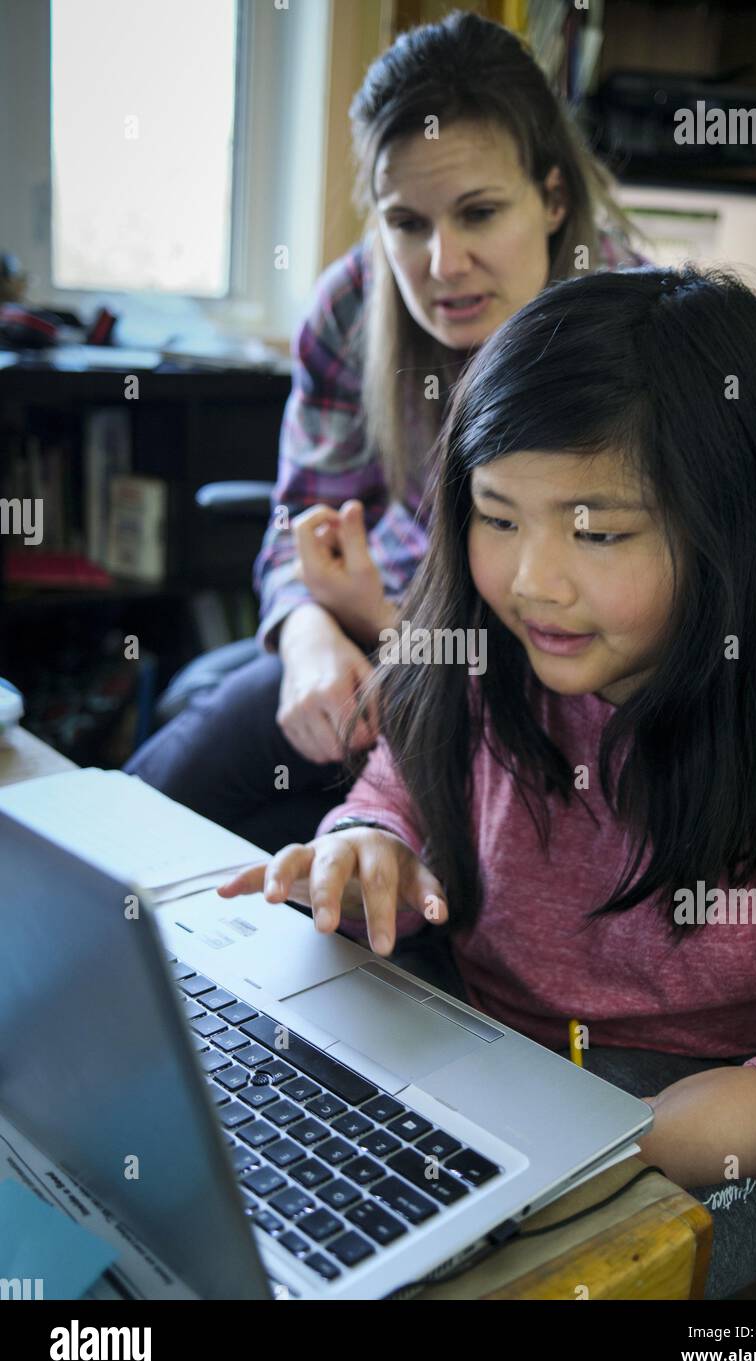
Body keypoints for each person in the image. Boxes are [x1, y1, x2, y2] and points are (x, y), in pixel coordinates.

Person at [218, 267, 756, 1300]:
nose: (532, 581)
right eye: (498, 515)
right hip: (489, 1041)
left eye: (597, 530)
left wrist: (754, 1110)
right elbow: (401, 778)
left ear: (735, 533)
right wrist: (368, 833)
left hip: (708, 1098)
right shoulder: (490, 656)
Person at [124, 10, 644, 852]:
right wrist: (305, 638)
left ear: (551, 197)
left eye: (478, 214)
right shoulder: (354, 302)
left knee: (220, 768)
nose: (442, 266)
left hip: (539, 688)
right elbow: (296, 527)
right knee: (251, 821)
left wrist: (390, 624)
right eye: (407, 223)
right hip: (377, 640)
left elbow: (604, 634)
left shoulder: (635, 334)